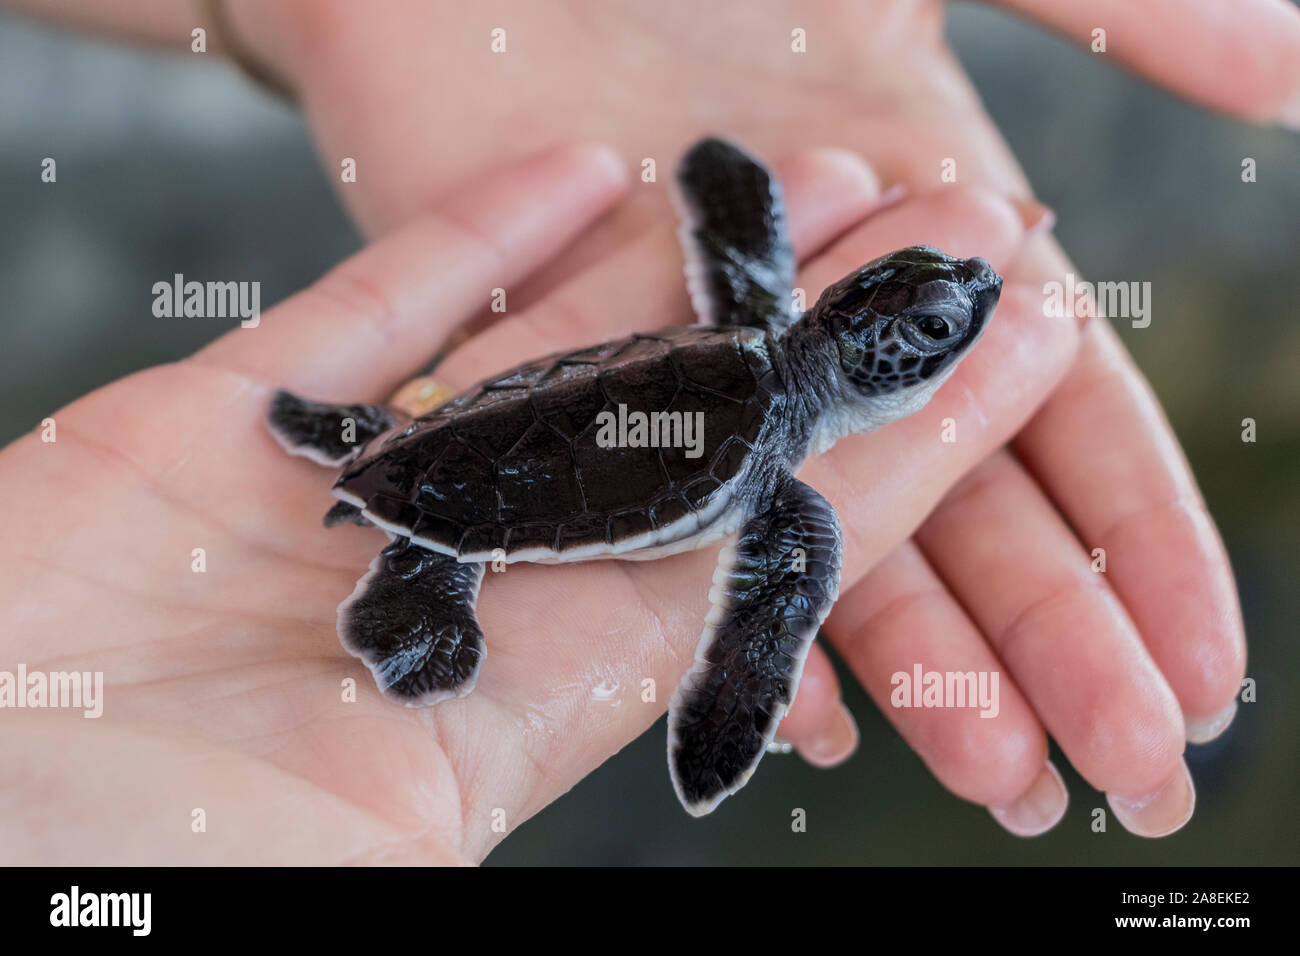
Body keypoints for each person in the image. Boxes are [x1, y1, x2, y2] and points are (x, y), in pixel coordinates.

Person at [3, 0, 1291, 863]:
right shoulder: (784, 497)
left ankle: (369, 445)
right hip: (478, 484)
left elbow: (733, 192)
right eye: (945, 315)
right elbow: (763, 617)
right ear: (866, 345)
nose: (972, 307)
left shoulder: (754, 322)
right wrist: (731, 709)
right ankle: (415, 574)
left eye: (947, 310)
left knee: (473, 435)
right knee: (527, 555)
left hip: (483, 415)